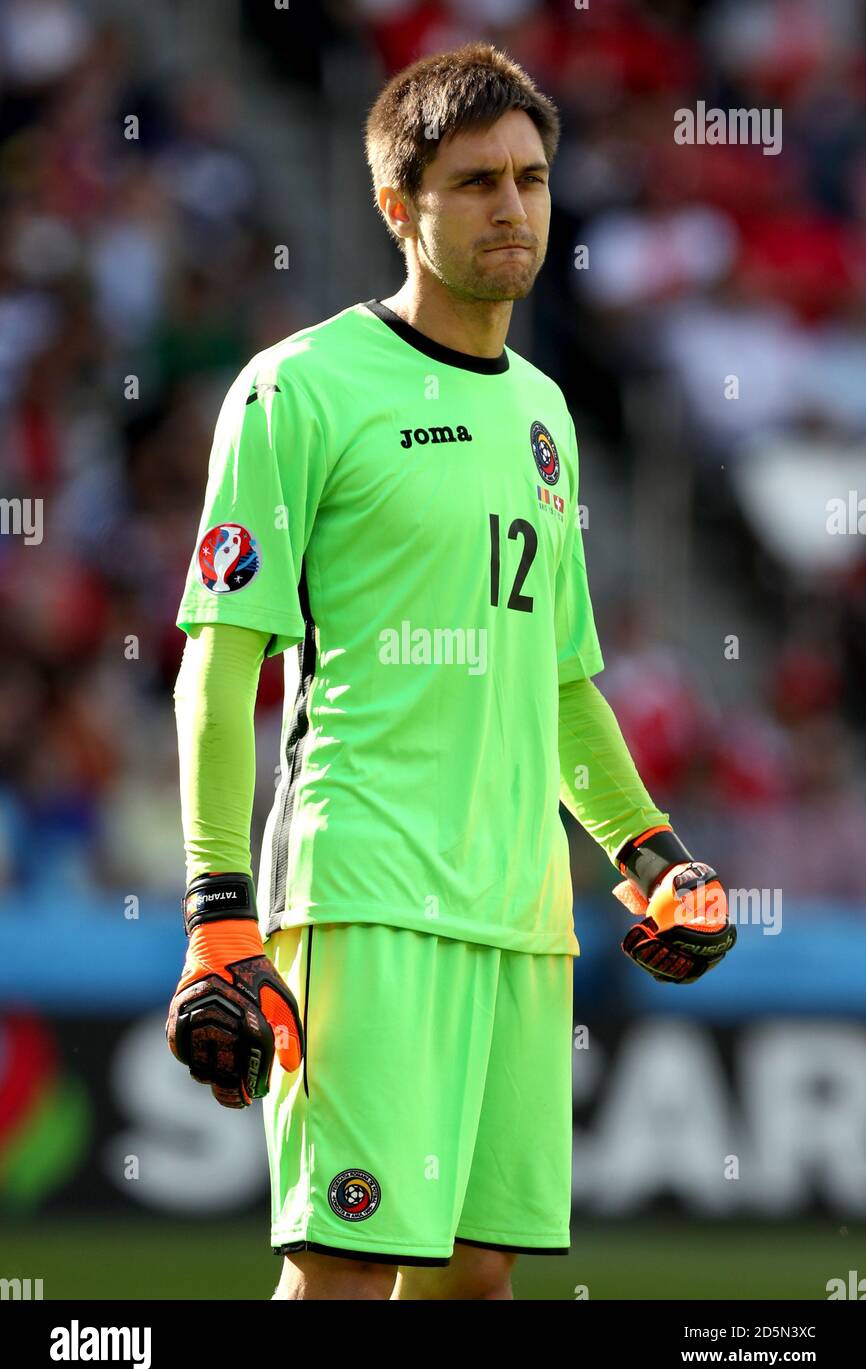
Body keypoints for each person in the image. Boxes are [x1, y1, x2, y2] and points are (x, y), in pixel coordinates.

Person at [167, 41, 735, 1302]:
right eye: (475, 182)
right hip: (366, 898)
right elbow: (219, 663)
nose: (512, 208)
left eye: (531, 179)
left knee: (474, 1285)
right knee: (344, 1280)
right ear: (395, 207)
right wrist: (215, 910)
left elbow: (561, 675)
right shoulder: (297, 391)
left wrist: (647, 853)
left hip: (520, 916)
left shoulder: (545, 410)